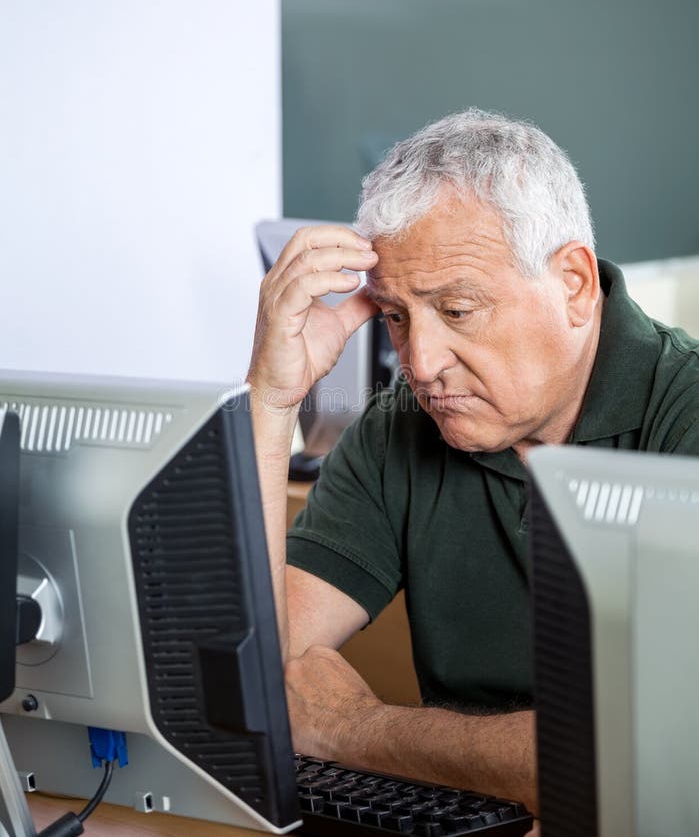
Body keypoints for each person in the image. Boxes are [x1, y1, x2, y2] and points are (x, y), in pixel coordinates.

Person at [246, 109, 699, 819]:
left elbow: (657, 761)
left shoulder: (685, 415)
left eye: (456, 310)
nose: (420, 364)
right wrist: (271, 401)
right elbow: (255, 677)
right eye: (396, 316)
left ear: (574, 285)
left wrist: (355, 730)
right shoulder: (399, 423)